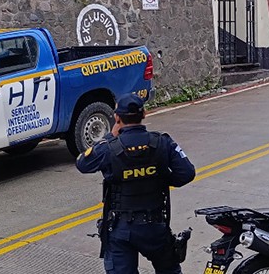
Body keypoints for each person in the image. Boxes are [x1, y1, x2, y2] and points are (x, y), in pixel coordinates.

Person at [76, 93, 195, 274]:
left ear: (117, 117)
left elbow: (82, 164)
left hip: (122, 229)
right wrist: (160, 178)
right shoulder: (162, 142)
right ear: (144, 114)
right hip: (154, 225)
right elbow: (187, 173)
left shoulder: (109, 147)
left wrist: (109, 136)